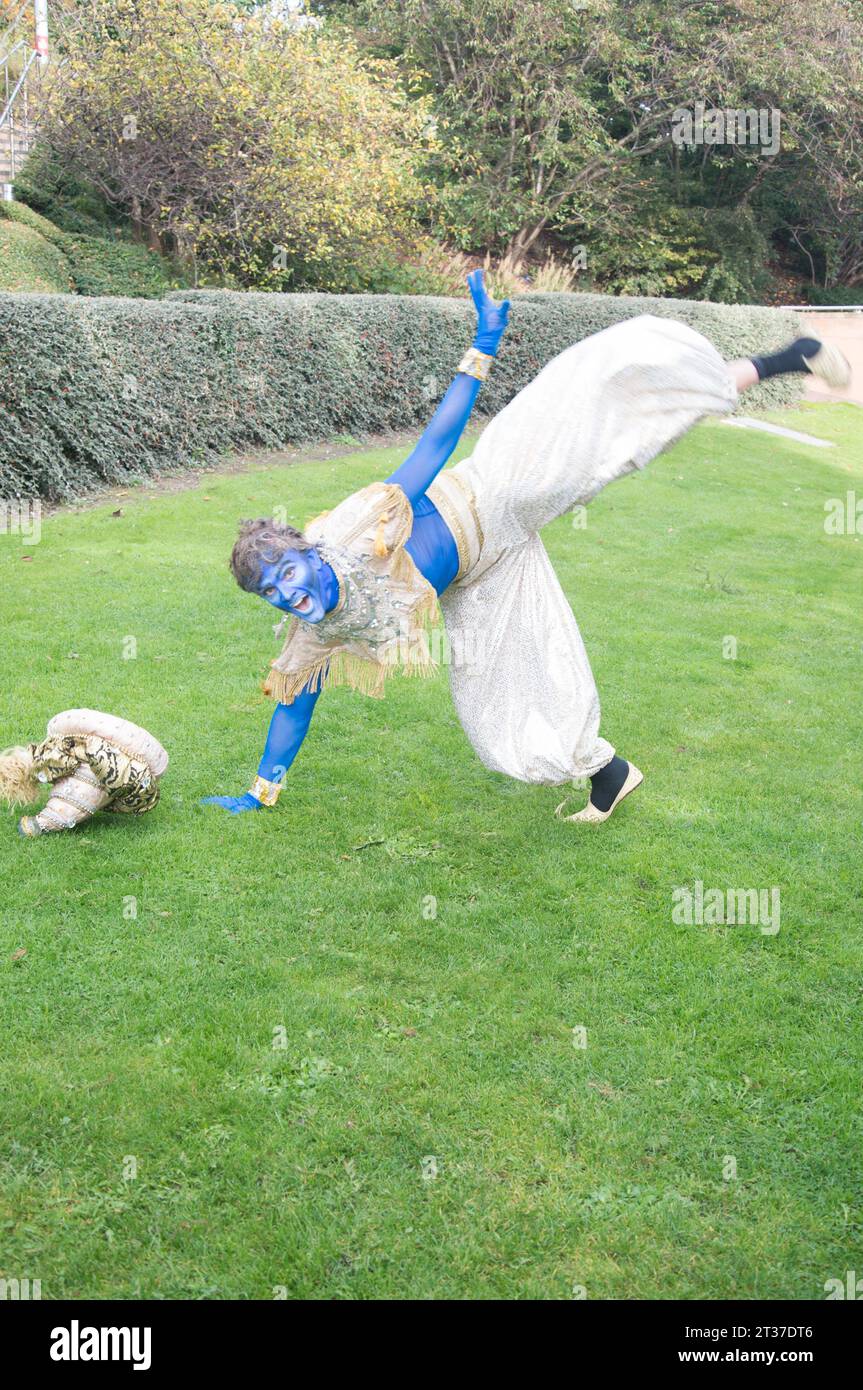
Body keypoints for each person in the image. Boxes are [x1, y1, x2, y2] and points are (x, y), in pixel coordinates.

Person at [205, 272, 849, 824]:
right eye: (271, 591)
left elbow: (433, 445)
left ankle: (782, 359)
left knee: (609, 428)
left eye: (286, 571)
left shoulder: (351, 529)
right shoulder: (308, 631)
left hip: (498, 492)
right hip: (485, 576)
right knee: (498, 717)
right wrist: (261, 793)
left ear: (308, 553)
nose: (287, 591)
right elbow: (292, 707)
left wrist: (483, 342)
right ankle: (609, 771)